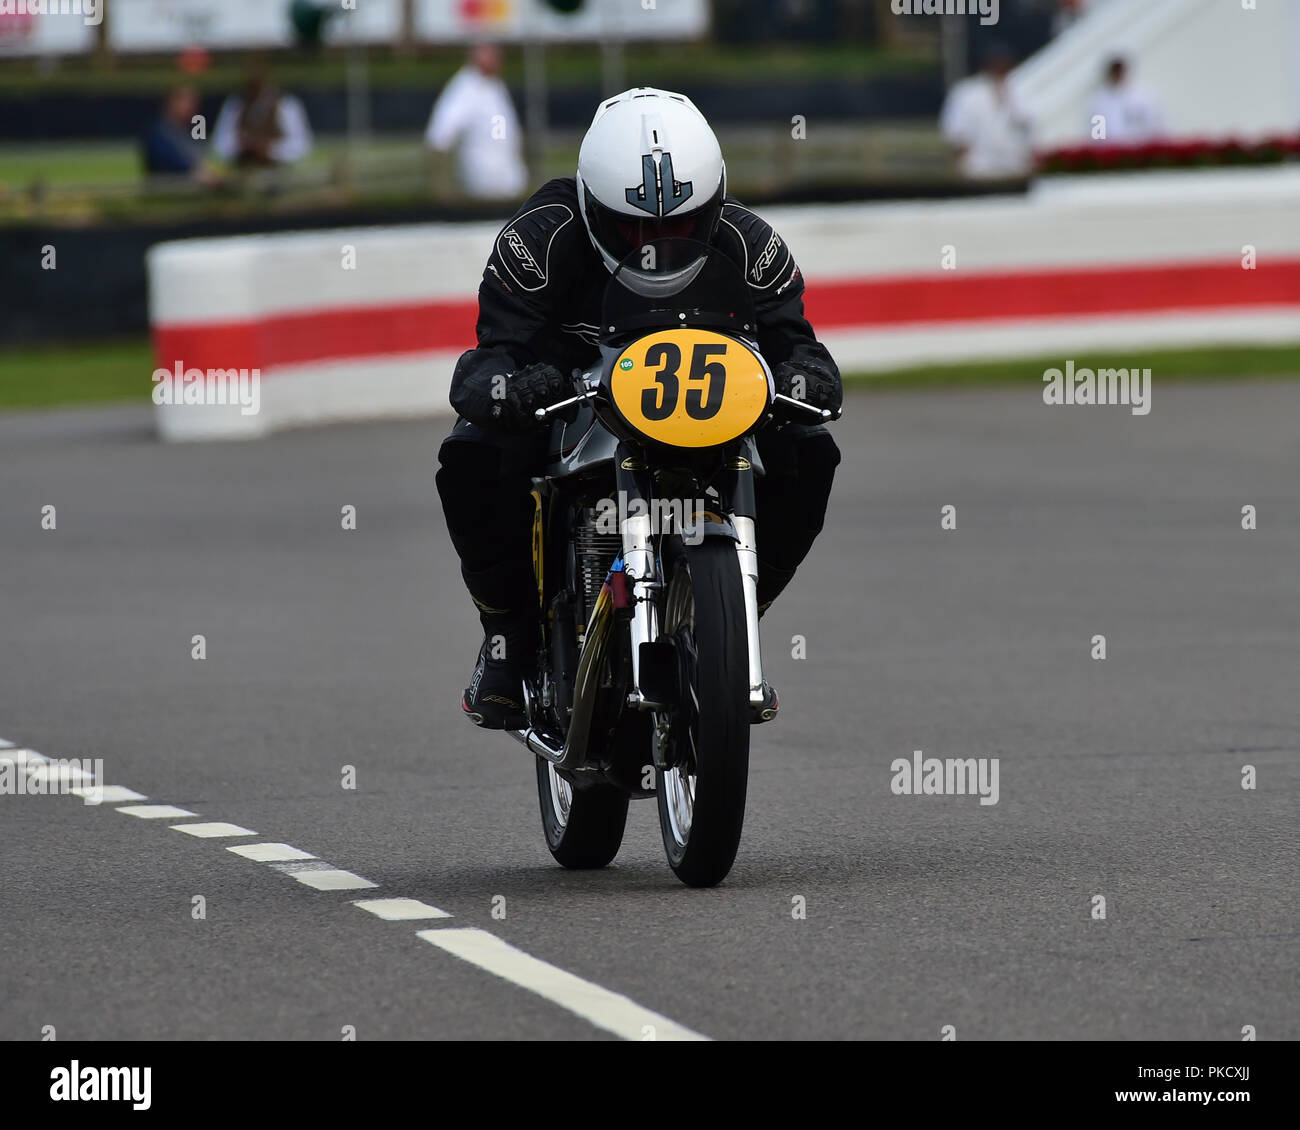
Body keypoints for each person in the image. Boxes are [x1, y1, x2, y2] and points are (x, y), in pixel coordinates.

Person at [436, 87, 843, 730]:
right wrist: (511, 387)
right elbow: (488, 358)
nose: (656, 245)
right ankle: (507, 638)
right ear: (595, 206)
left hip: (706, 415)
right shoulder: (536, 243)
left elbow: (800, 344)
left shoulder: (752, 246)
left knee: (809, 452)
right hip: (574, 408)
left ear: (710, 207)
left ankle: (727, 625)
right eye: (635, 228)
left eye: (678, 226)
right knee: (472, 455)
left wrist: (809, 378)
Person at [424, 43, 528, 200]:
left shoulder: (494, 85)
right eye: (490, 54)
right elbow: (441, 134)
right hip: (482, 181)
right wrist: (441, 184)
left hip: (508, 176)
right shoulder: (465, 88)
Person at [940, 43, 1035, 179]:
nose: (1000, 67)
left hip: (1015, 167)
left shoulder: (1020, 89)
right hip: (979, 168)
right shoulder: (967, 92)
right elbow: (957, 131)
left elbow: (1028, 124)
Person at [212, 63, 313, 168]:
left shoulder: (286, 104)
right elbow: (221, 145)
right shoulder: (235, 104)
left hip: (278, 169)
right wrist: (243, 148)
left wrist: (271, 150)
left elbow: (301, 146)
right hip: (243, 167)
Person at [142, 86, 219, 185]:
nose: (192, 106)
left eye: (194, 102)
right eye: (187, 101)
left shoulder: (190, 131)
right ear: (172, 103)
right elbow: (177, 164)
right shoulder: (158, 133)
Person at [1088, 55, 1166, 144]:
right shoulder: (1099, 102)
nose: (1117, 74)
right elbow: (1097, 136)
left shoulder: (1143, 97)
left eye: (1119, 70)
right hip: (1111, 152)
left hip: (1139, 151)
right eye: (1114, 71)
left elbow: (1155, 127)